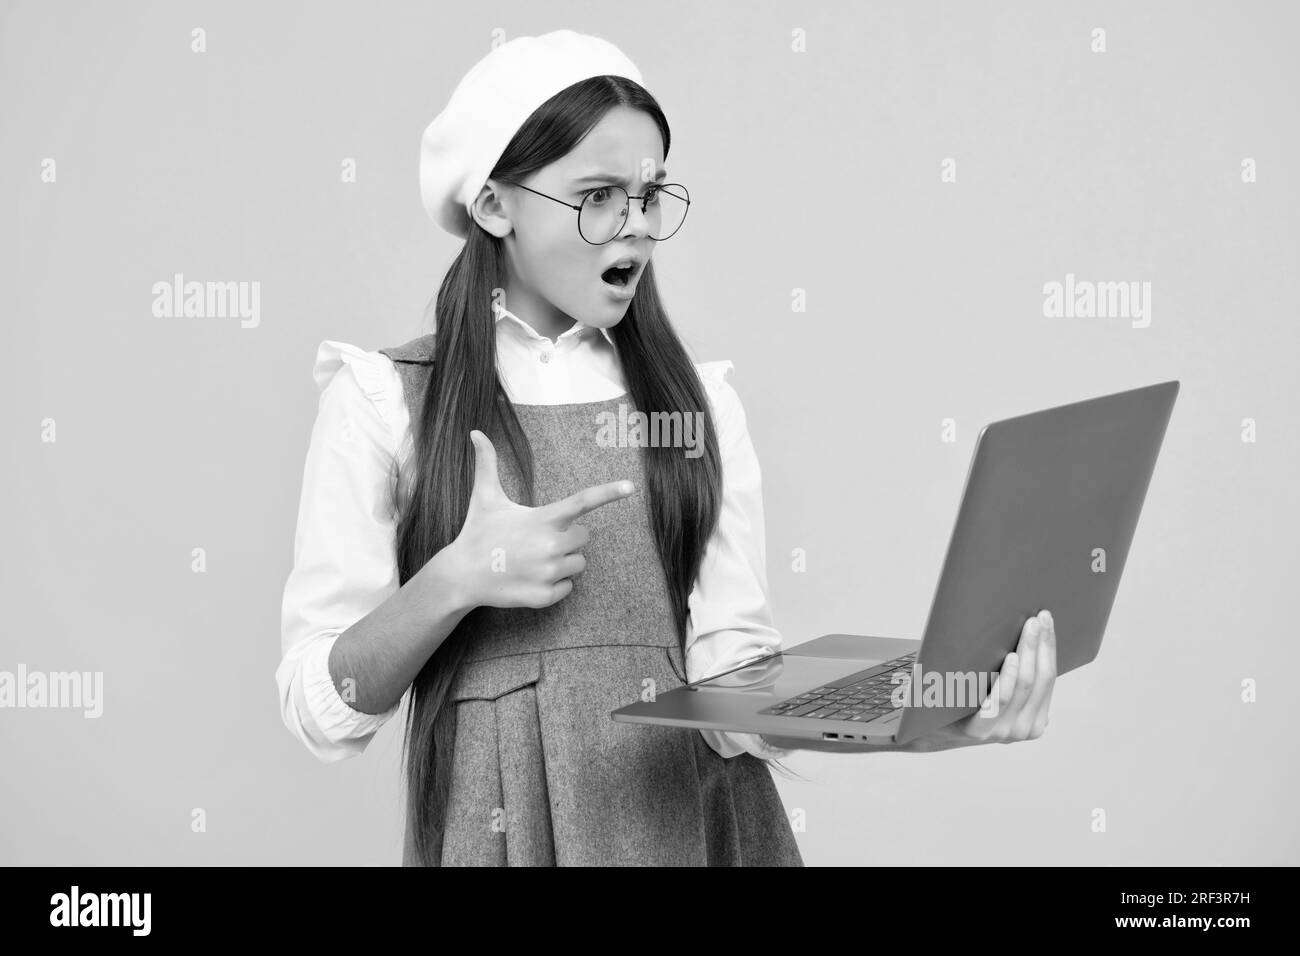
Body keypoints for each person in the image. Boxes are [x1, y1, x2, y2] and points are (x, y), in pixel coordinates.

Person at [276, 29, 1057, 867]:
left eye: (649, 196)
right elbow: (324, 708)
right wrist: (455, 580)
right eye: (599, 196)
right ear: (495, 204)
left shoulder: (697, 405)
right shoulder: (383, 401)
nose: (637, 228)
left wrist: (941, 710)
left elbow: (737, 697)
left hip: (700, 832)